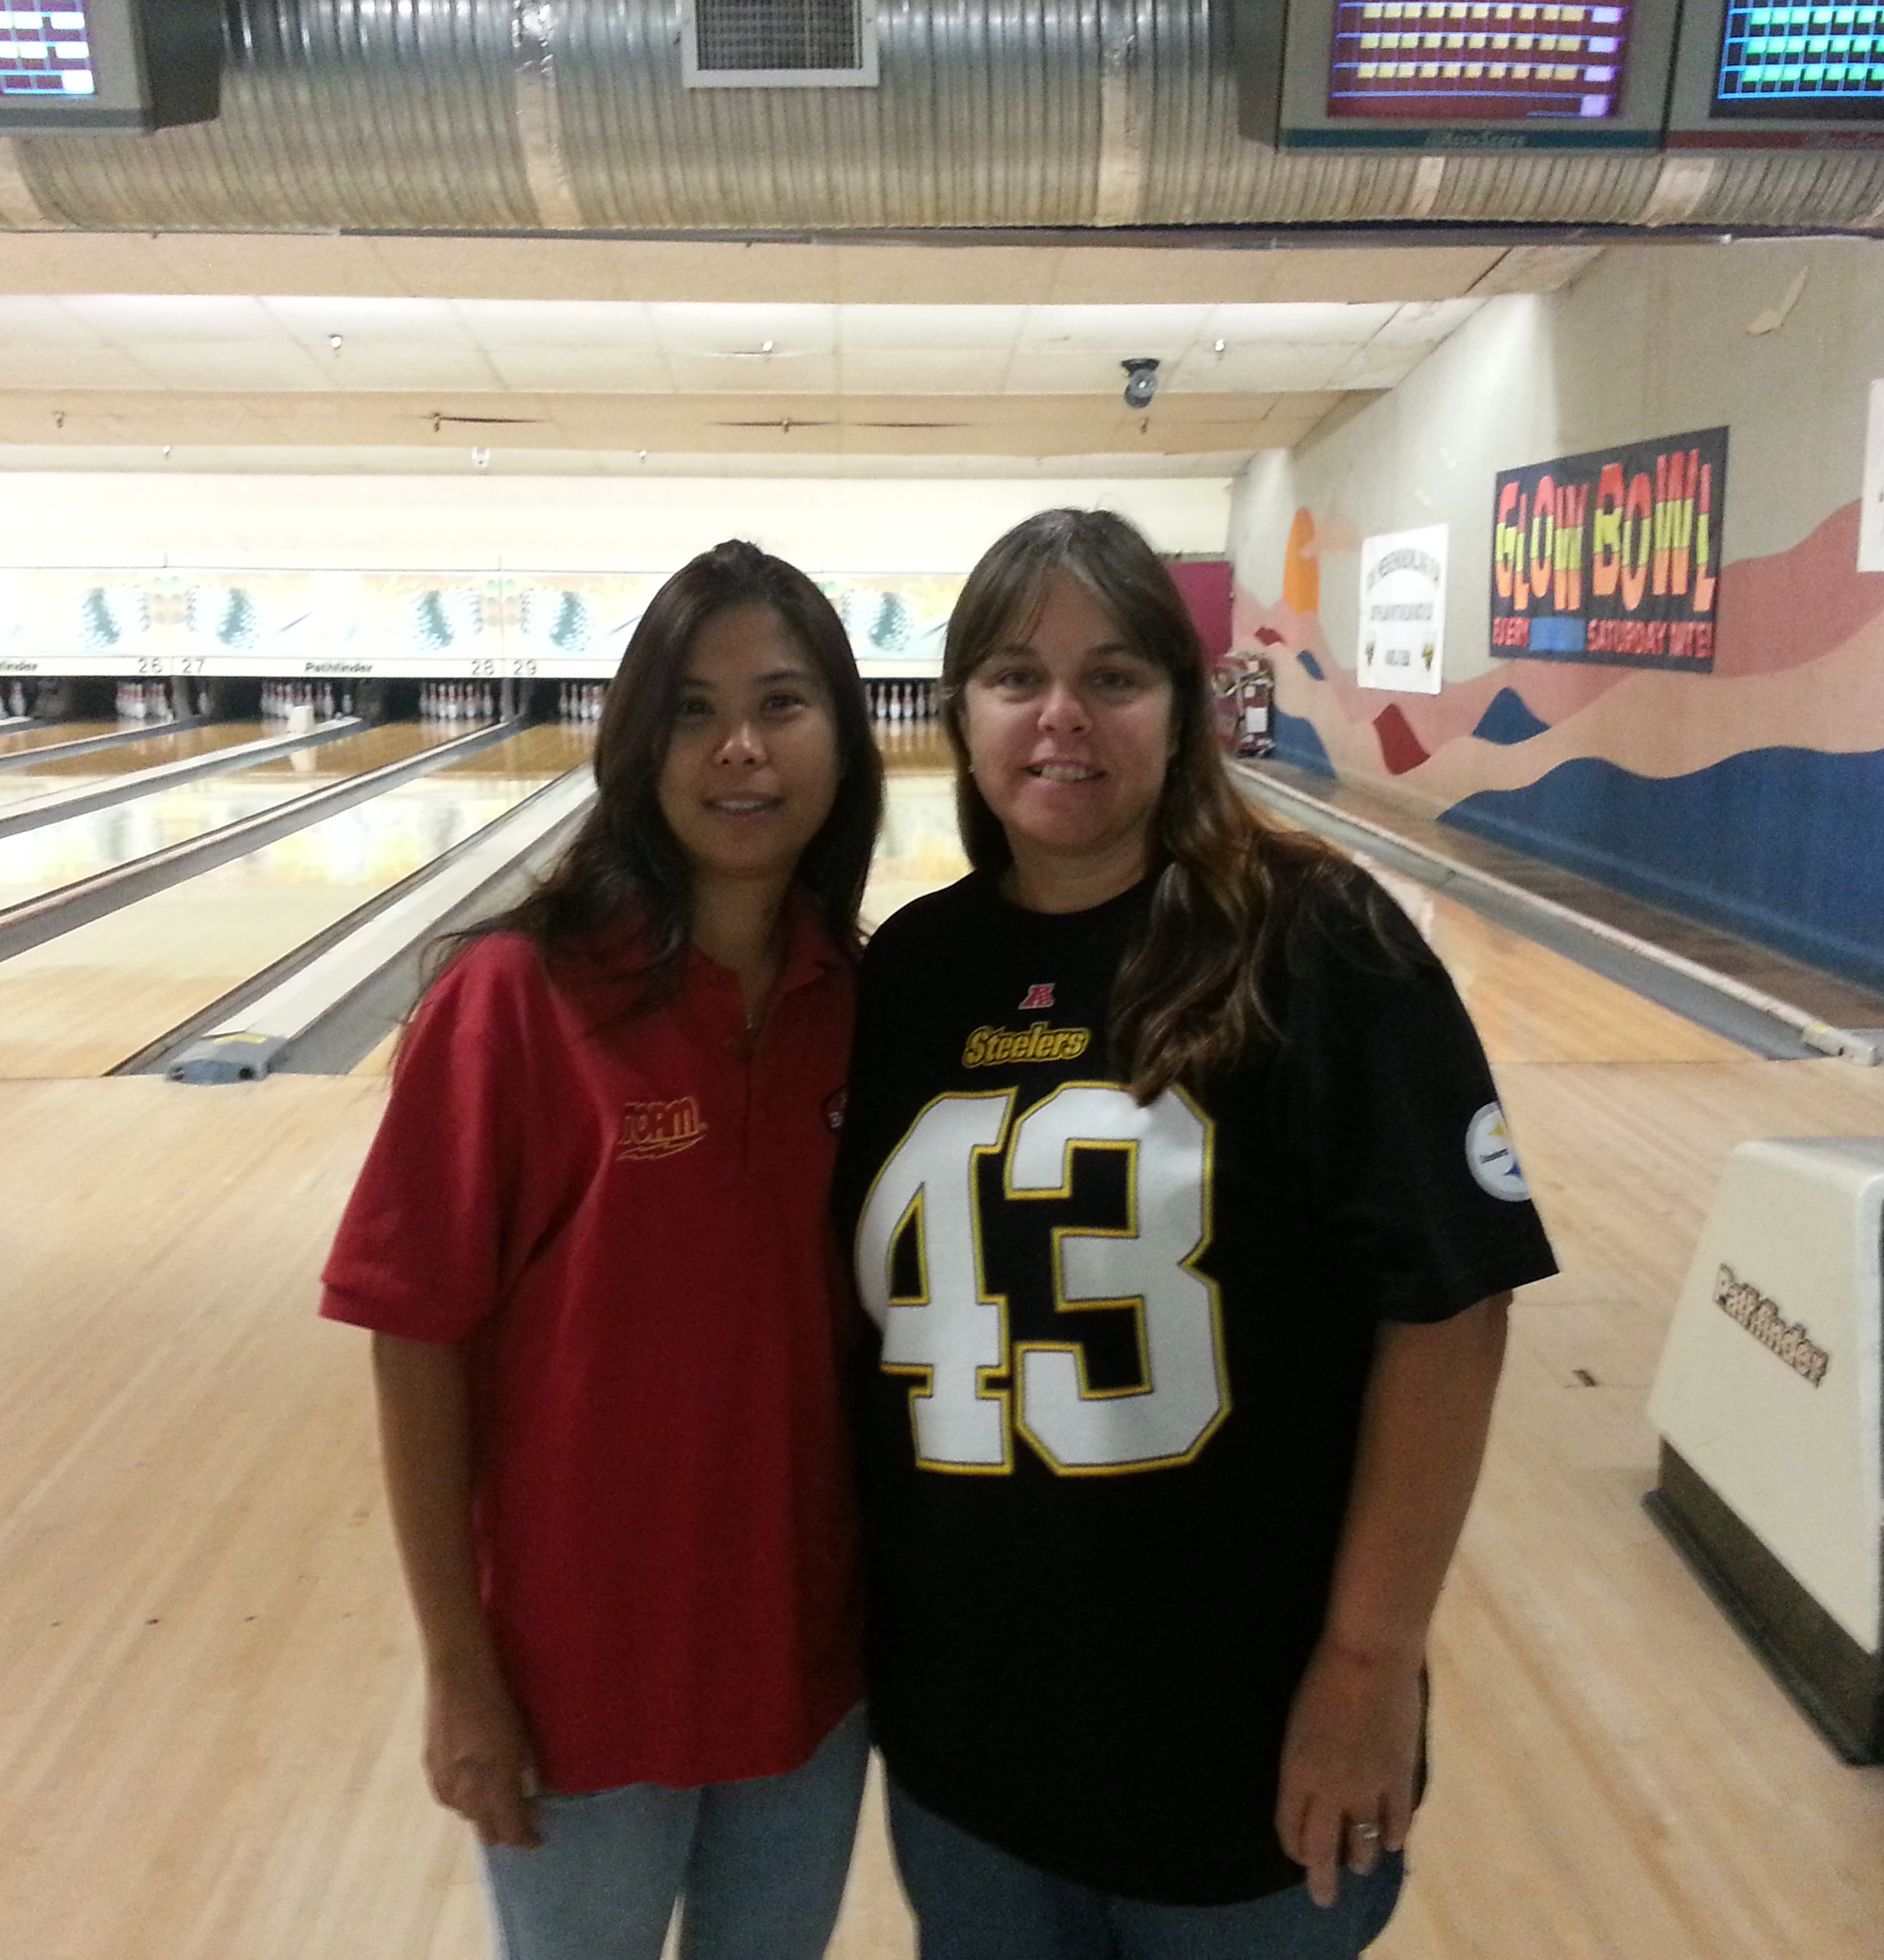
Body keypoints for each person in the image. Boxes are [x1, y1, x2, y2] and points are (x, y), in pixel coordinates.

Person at [834, 508, 1559, 1958]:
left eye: (1114, 676)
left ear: (1184, 707)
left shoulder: (1314, 937)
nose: (1062, 716)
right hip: (968, 1745)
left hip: (1246, 1744)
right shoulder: (913, 970)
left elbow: (1451, 1309)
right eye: (1015, 676)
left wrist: (1370, 1662)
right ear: (960, 711)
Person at [321, 540, 885, 1960]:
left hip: (811, 1667)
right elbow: (414, 1338)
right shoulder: (513, 999)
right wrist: (459, 1670)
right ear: (638, 742)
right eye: (693, 710)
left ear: (844, 735)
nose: (740, 749)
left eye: (782, 703)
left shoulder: (868, 1006)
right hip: (576, 1682)